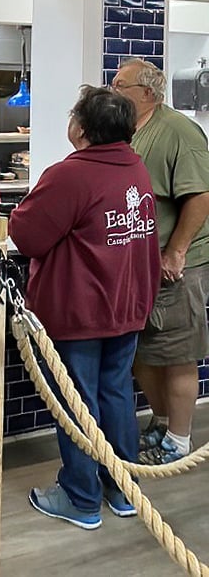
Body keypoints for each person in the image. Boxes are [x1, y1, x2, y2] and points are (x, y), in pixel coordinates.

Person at [9, 86, 161, 530]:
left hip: (80, 311)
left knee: (76, 402)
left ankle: (80, 497)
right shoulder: (135, 167)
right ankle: (123, 489)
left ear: (81, 127)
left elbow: (28, 236)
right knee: (114, 395)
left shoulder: (71, 174)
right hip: (126, 304)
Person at [112, 58, 209, 465]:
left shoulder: (179, 133)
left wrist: (177, 252)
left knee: (177, 351)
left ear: (147, 93)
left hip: (180, 265)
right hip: (141, 264)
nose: (112, 90)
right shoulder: (127, 131)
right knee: (145, 351)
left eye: (120, 85)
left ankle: (179, 439)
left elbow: (200, 196)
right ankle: (162, 421)